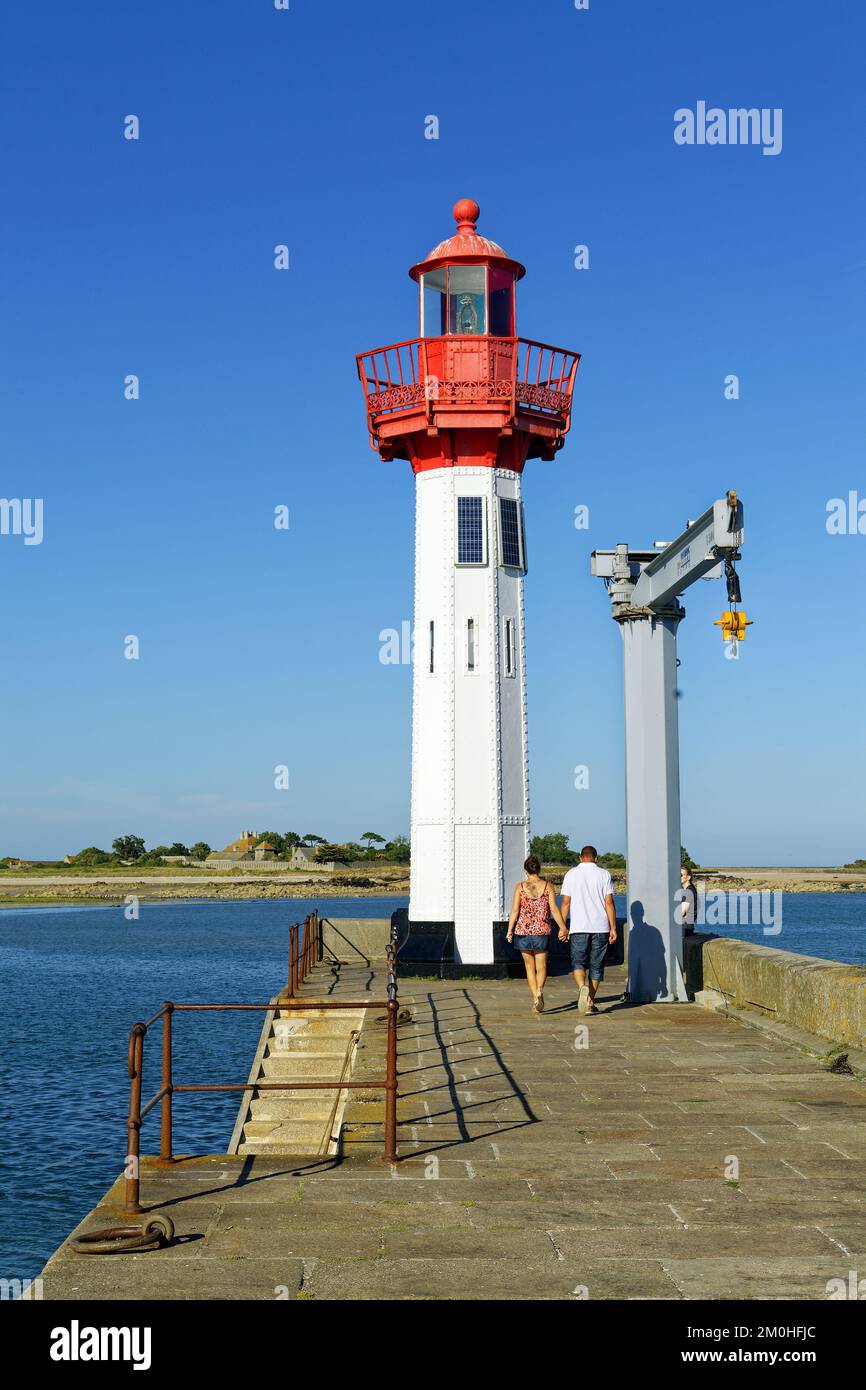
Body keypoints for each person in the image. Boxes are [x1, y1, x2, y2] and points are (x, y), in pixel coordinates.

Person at [559, 845, 618, 1015]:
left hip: (578, 927)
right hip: (600, 926)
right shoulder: (604, 874)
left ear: (580, 857)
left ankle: (581, 987)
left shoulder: (571, 874)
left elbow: (565, 903)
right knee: (596, 965)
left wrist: (563, 927)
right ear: (596, 858)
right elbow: (609, 903)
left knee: (578, 961)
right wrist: (613, 927)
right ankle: (590, 1001)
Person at [506, 854, 568, 1013]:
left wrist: (509, 930)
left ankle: (535, 998)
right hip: (542, 930)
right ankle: (540, 990)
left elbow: (514, 911)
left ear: (525, 870)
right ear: (538, 869)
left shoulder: (520, 887)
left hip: (523, 931)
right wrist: (563, 928)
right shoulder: (548, 886)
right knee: (542, 967)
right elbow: (554, 909)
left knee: (529, 967)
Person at [678, 865, 698, 934]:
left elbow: (682, 912)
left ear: (688, 877)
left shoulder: (689, 891)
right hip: (683, 927)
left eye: (681, 875)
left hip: (685, 928)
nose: (678, 877)